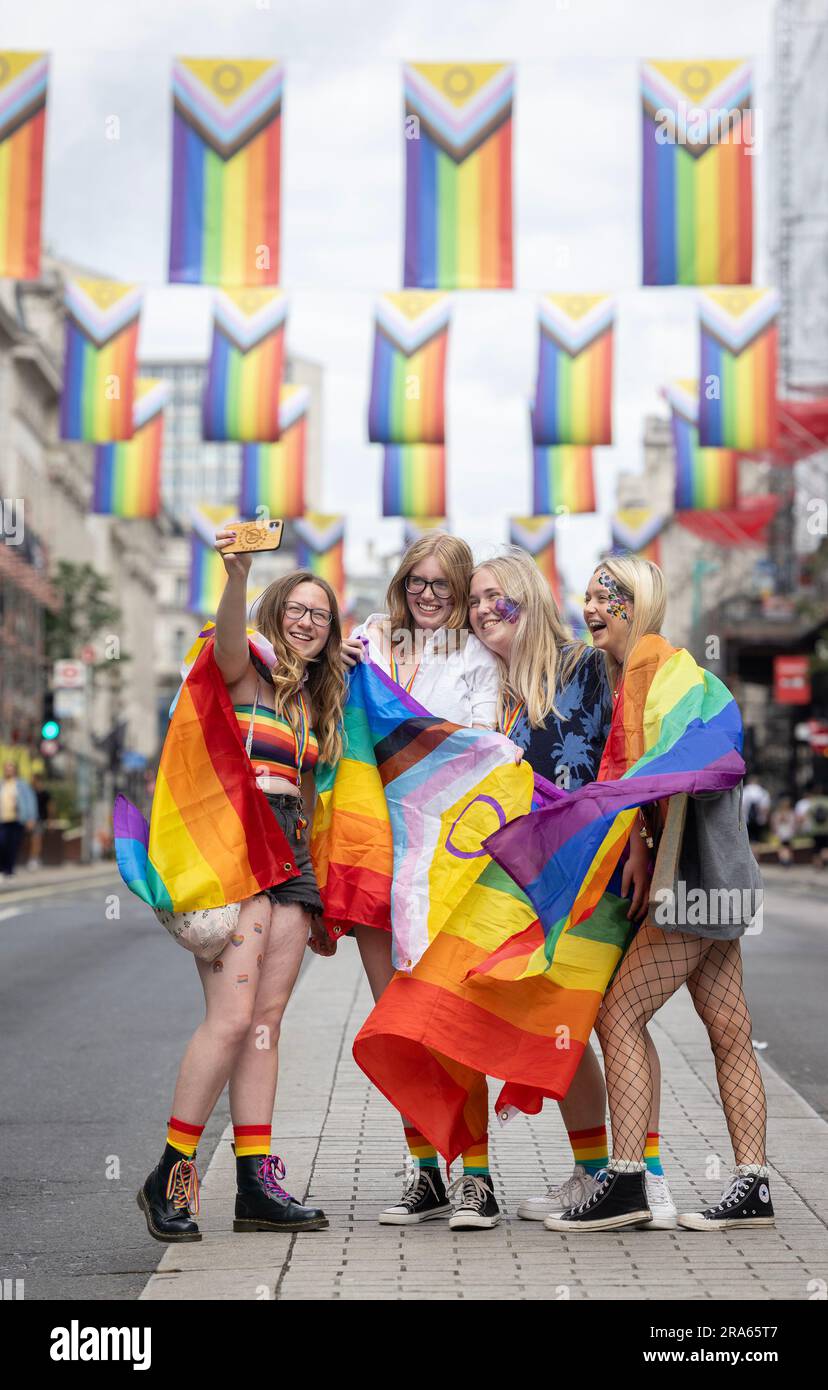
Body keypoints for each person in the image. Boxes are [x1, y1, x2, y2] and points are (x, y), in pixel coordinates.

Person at [546, 556, 772, 1233]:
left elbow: (676, 766)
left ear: (637, 604)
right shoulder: (649, 673)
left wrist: (652, 849)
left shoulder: (656, 667)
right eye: (585, 595)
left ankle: (627, 1182)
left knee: (619, 1013)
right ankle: (753, 1185)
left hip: (695, 881)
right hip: (723, 877)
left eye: (604, 596)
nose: (590, 607)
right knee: (730, 1030)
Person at [137, 536, 345, 1244]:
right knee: (228, 1021)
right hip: (236, 848)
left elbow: (312, 794)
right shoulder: (246, 669)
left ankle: (256, 1183)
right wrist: (238, 577)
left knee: (266, 1022)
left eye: (322, 614)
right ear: (275, 612)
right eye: (298, 608)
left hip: (290, 856)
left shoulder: (310, 702)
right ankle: (171, 1178)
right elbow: (227, 640)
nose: (309, 621)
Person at [465, 550, 676, 1231]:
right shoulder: (498, 691)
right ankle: (594, 1174)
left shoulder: (583, 664)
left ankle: (650, 1179)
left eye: (497, 595)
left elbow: (632, 748)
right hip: (539, 884)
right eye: (475, 601)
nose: (483, 609)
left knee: (613, 1018)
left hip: (603, 871)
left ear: (528, 597)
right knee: (564, 1026)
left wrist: (642, 838)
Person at [339, 532, 500, 1227]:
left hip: (447, 861)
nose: (428, 596)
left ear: (461, 592)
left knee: (450, 1023)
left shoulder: (476, 657)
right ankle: (425, 1171)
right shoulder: (367, 644)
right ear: (401, 585)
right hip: (374, 850)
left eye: (441, 585)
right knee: (400, 1024)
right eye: (416, 583)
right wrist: (334, 666)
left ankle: (479, 1178)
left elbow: (486, 749)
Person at [0, 761, 37, 878]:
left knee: (13, 846)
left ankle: (9, 871)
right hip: (3, 820)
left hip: (17, 819)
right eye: (7, 768)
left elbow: (30, 801)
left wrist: (31, 818)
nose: (9, 771)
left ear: (15, 770)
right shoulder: (2, 784)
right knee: (2, 844)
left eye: (11, 768)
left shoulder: (21, 785)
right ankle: (2, 869)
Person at [742, 774, 771, 844]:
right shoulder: (763, 792)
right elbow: (765, 808)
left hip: (747, 820)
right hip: (759, 820)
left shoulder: (744, 791)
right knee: (760, 840)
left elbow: (742, 807)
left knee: (748, 841)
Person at [771, 796, 797, 867]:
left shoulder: (788, 813)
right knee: (784, 847)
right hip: (784, 833)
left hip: (785, 833)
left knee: (785, 847)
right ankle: (785, 860)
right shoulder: (787, 813)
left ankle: (786, 860)